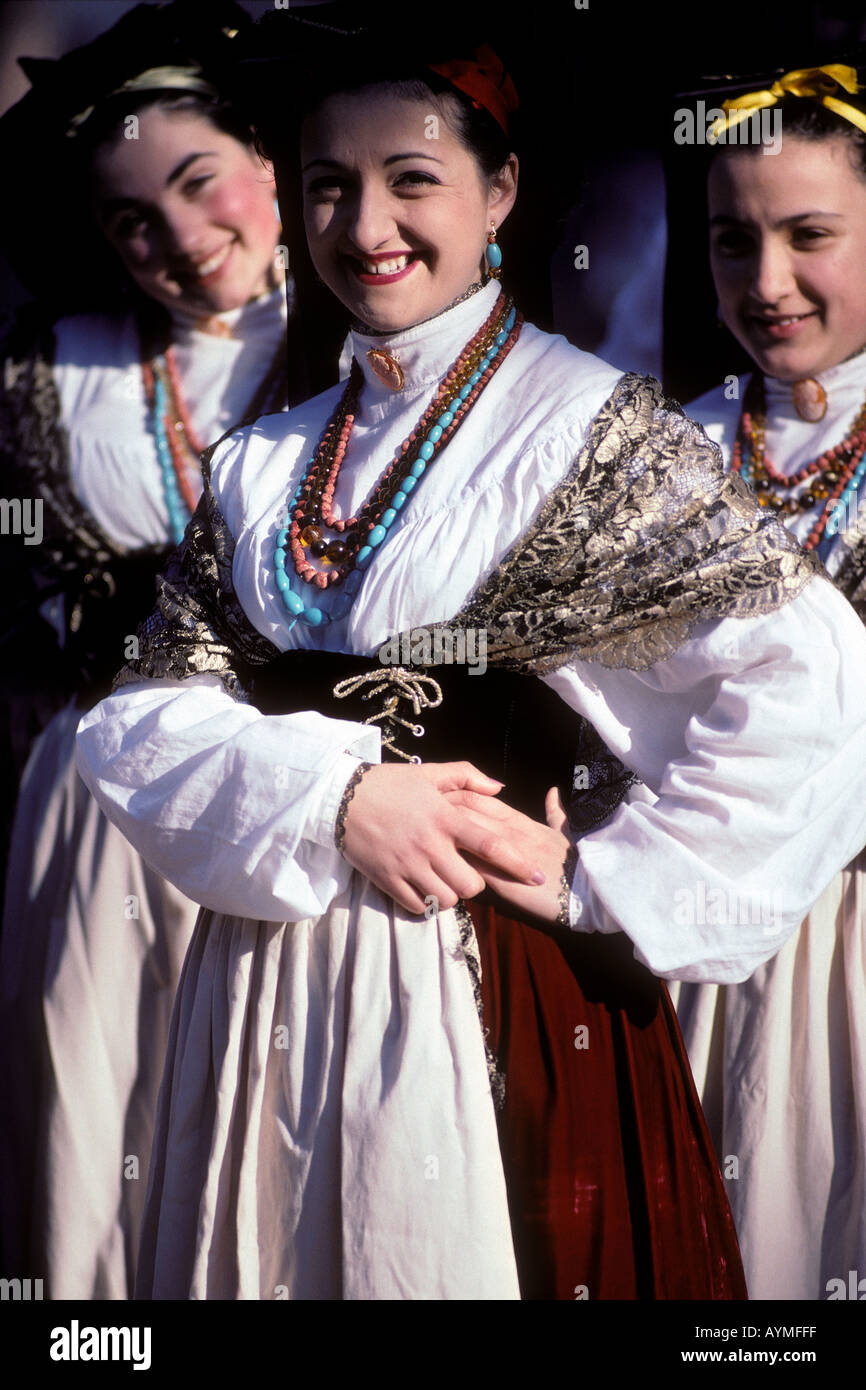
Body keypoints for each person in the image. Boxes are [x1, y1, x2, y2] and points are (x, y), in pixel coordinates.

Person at [76, 22, 866, 1301]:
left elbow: (812, 676)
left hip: (484, 992)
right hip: (266, 985)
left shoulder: (583, 430)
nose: (364, 221)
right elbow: (142, 711)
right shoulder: (270, 459)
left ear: (500, 194)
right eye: (327, 183)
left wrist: (611, 876)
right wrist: (335, 796)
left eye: (411, 176)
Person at [0, 2, 306, 1300]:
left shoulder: (379, 344)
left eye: (200, 181)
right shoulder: (47, 377)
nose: (182, 238)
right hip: (106, 813)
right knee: (98, 1108)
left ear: (273, 164)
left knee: (289, 1121)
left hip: (300, 793)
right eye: (135, 219)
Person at [667, 62, 866, 1301]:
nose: (767, 281)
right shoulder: (662, 453)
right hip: (698, 944)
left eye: (809, 236)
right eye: (732, 242)